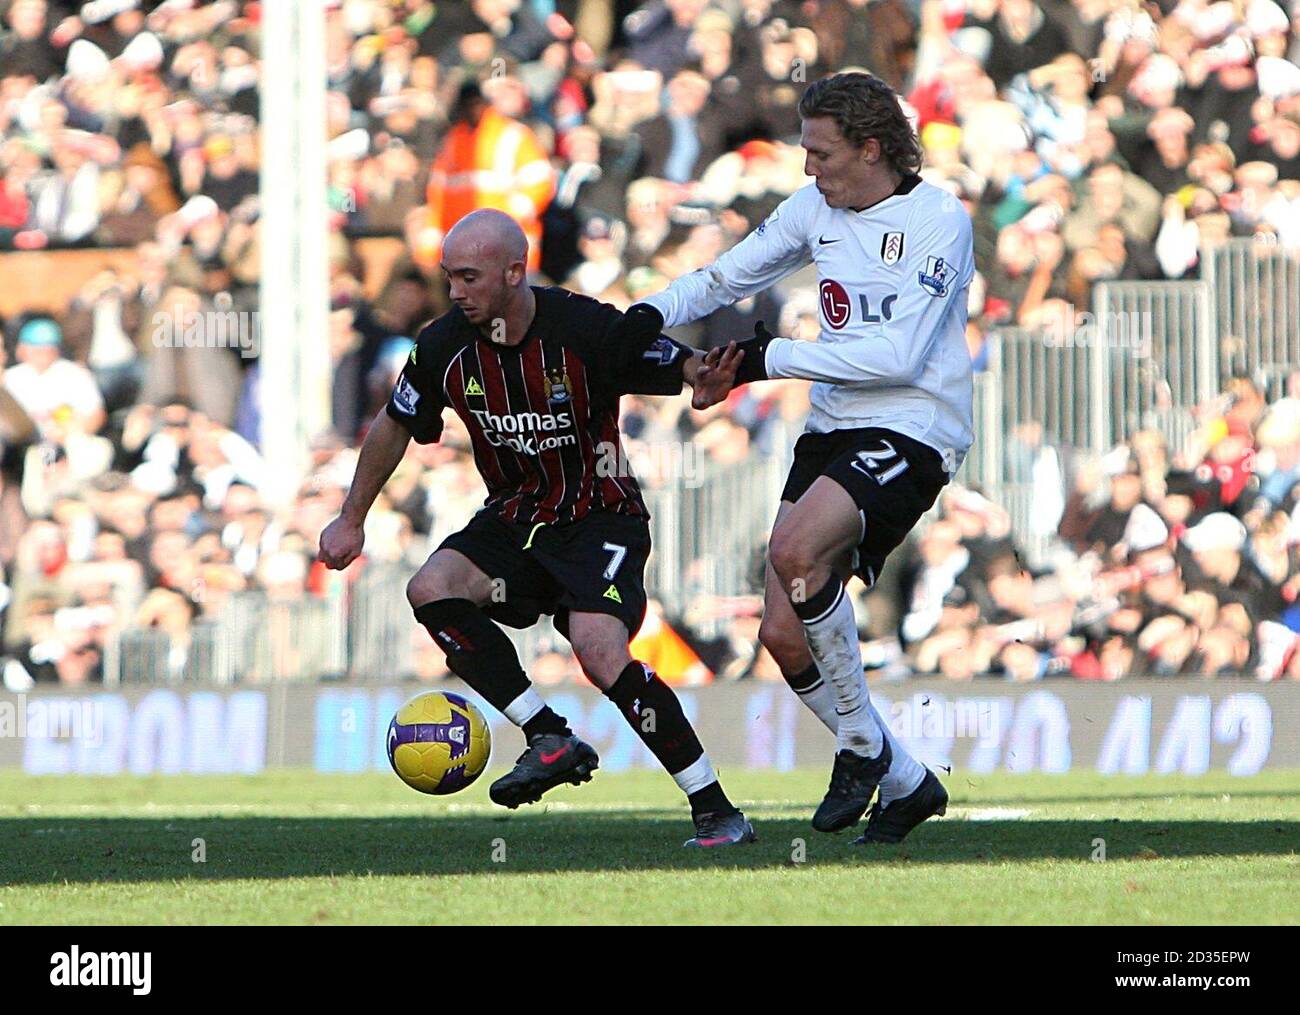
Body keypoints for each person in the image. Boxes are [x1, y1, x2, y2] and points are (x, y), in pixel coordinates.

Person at [318, 209, 754, 848]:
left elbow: (672, 361)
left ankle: (716, 809)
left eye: (469, 278)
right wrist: (351, 515)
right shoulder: (442, 346)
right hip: (516, 518)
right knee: (430, 587)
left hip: (599, 517)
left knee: (600, 650)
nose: (456, 292)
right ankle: (547, 734)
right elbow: (395, 420)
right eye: (449, 278)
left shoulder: (581, 327)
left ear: (515, 272)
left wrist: (700, 376)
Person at [634, 72, 975, 844]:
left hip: (915, 425)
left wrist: (762, 360)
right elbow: (729, 274)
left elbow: (896, 353)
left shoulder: (937, 221)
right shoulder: (814, 208)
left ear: (871, 147)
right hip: (833, 425)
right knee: (782, 637)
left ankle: (859, 749)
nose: (808, 167)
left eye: (821, 152)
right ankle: (906, 780)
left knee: (794, 549)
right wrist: (644, 316)